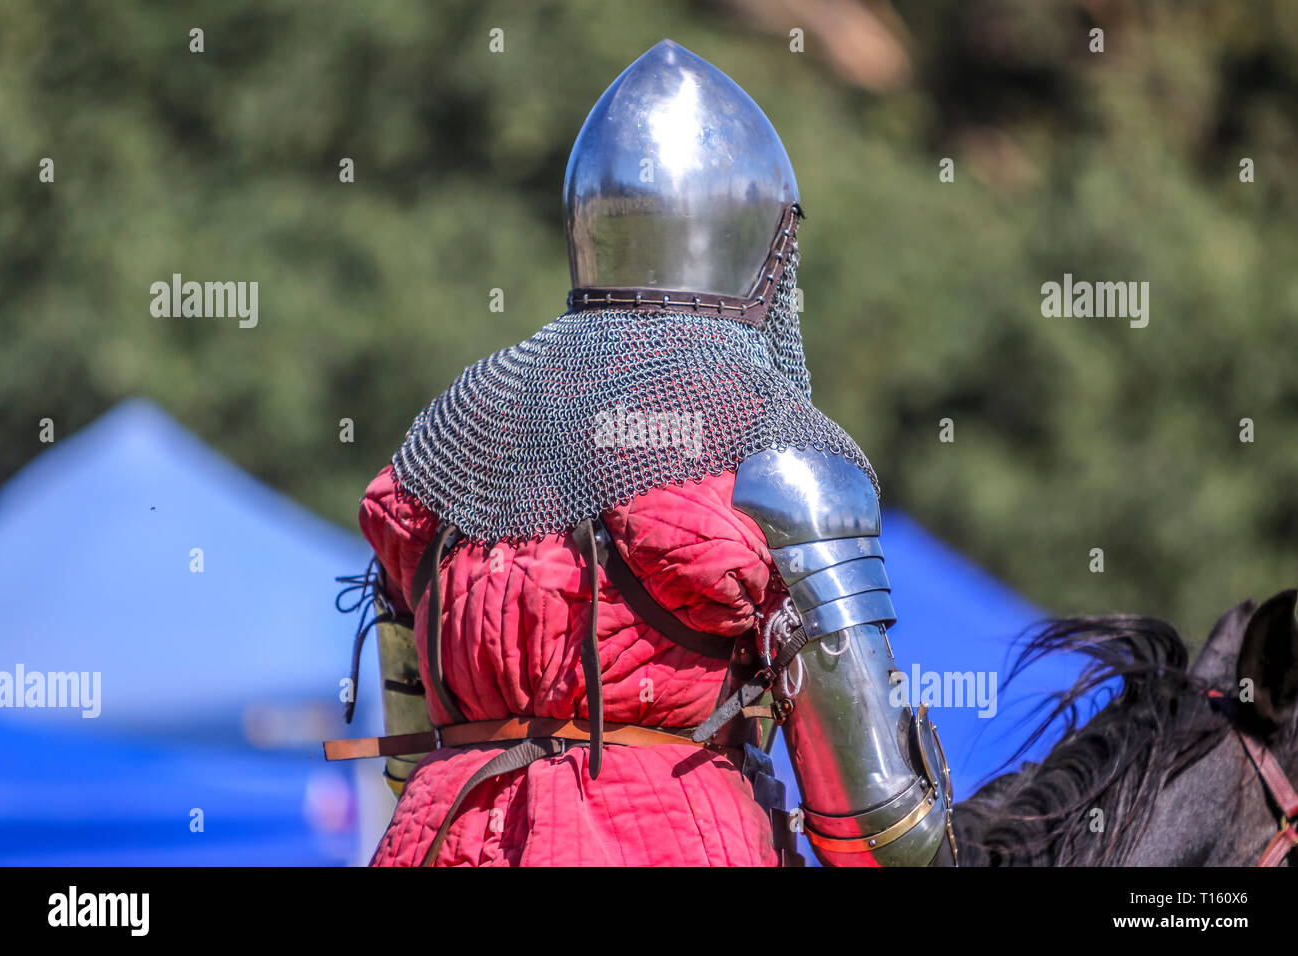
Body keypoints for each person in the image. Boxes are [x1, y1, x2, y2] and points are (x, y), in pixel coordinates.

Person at [332, 39, 956, 867]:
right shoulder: (769, 457)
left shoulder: (458, 435)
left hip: (442, 843)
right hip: (660, 842)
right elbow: (875, 823)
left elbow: (409, 754)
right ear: (763, 248)